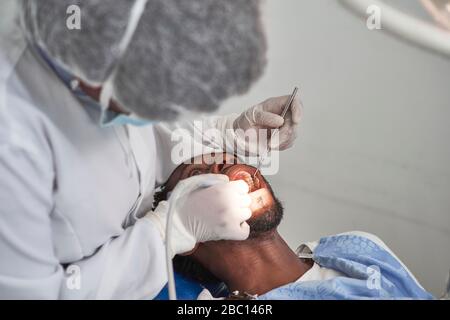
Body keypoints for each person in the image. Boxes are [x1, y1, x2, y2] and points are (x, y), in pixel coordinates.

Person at [0, 0, 302, 299]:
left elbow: (140, 138)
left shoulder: (123, 58)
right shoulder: (13, 142)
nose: (167, 108)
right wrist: (168, 232)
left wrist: (231, 134)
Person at [153, 153, 434, 300]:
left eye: (225, 158)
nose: (223, 165)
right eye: (198, 175)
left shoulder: (355, 247)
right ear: (187, 235)